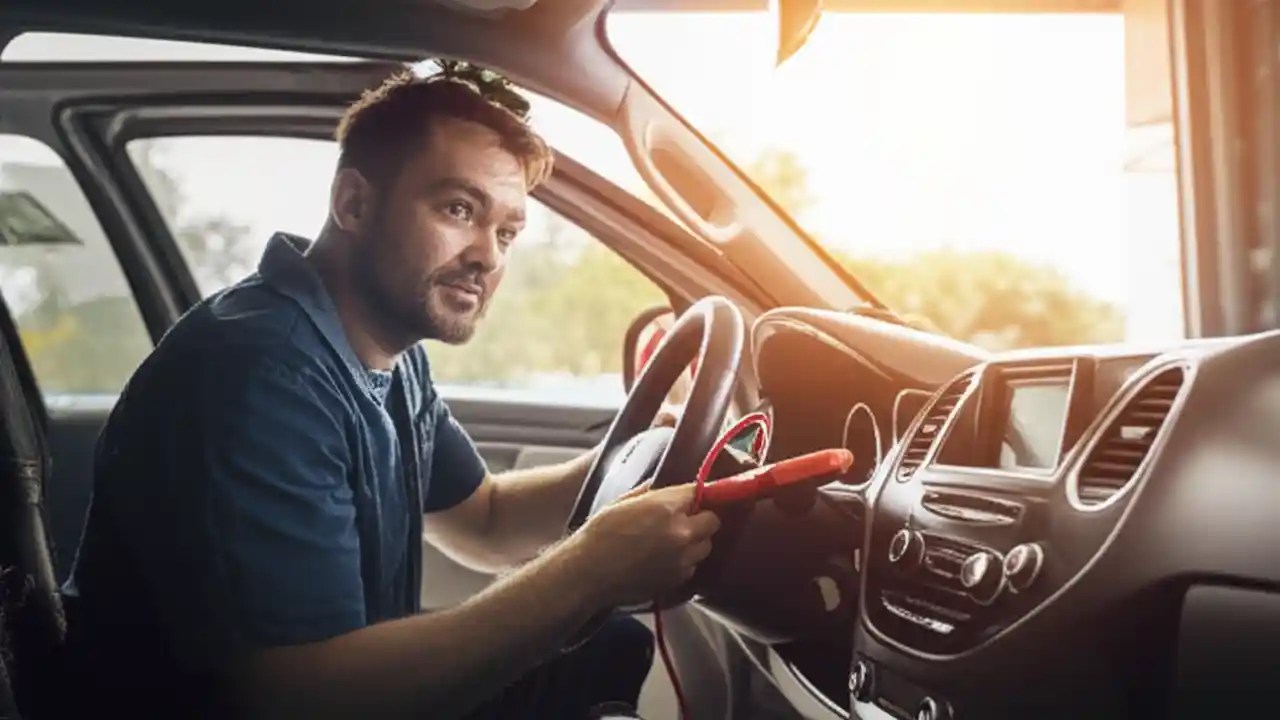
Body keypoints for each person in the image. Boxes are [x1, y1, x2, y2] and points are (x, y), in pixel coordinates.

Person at [60, 65, 721, 719]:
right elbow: (304, 700)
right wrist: (592, 567)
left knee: (608, 646)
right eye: (458, 209)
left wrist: (642, 451)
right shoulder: (260, 374)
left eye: (507, 232)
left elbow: (483, 521)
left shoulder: (384, 350)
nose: (488, 256)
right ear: (354, 204)